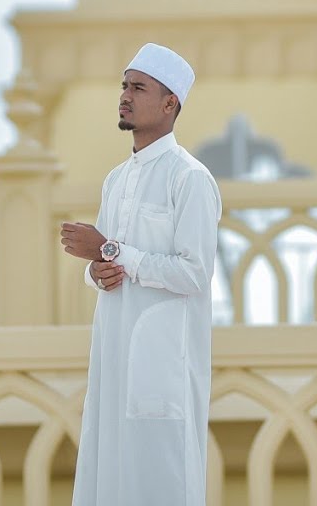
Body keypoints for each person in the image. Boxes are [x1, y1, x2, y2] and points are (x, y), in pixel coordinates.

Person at [63, 43, 222, 506]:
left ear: (170, 102)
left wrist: (111, 250)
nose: (125, 96)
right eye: (123, 86)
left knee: (162, 483)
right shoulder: (116, 180)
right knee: (107, 478)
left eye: (138, 87)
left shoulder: (189, 178)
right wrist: (97, 270)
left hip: (161, 367)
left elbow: (195, 274)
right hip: (112, 362)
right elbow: (107, 267)